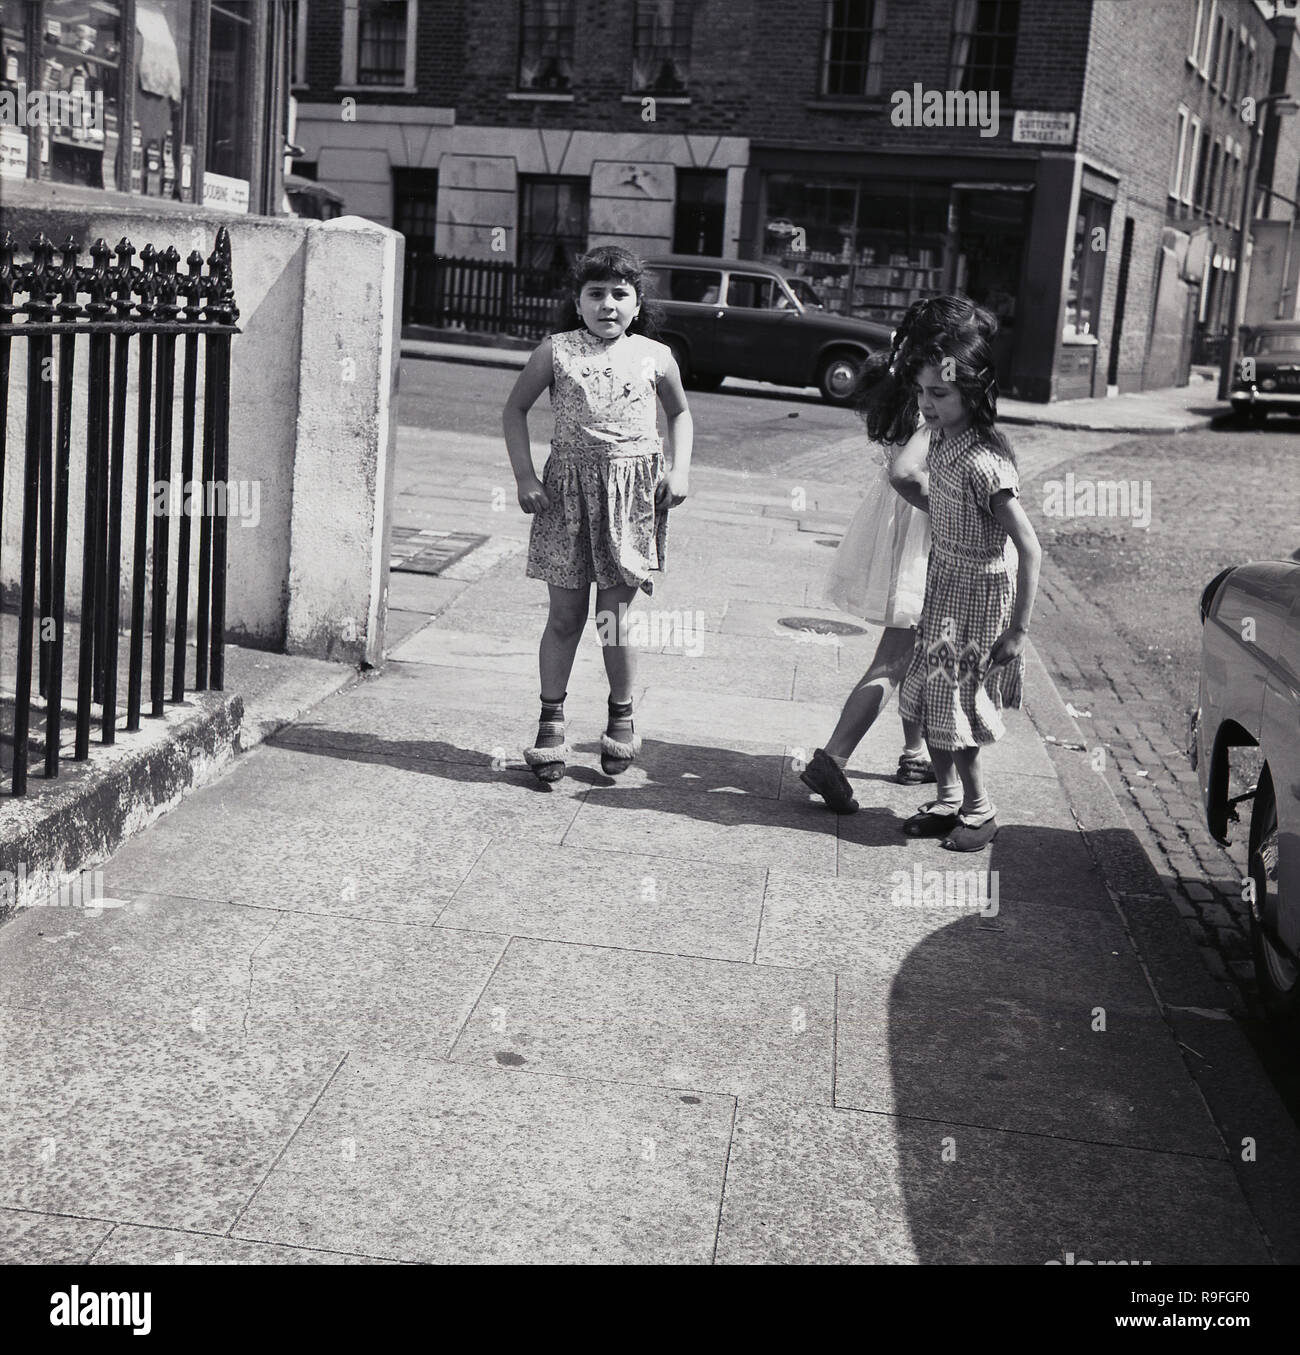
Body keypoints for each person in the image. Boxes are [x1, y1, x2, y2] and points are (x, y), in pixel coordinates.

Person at [503, 246, 693, 783]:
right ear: (577, 301)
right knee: (564, 617)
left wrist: (678, 472)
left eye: (619, 294)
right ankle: (551, 720)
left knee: (613, 620)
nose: (607, 304)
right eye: (595, 294)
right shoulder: (554, 351)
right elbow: (514, 409)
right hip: (565, 496)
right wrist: (524, 476)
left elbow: (680, 414)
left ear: (637, 304)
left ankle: (622, 715)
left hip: (630, 498)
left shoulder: (656, 355)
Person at [800, 296, 988, 814]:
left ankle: (913, 752)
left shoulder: (900, 378)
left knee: (913, 647)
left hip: (895, 525)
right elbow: (908, 473)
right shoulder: (937, 400)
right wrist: (957, 513)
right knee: (897, 656)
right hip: (924, 530)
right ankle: (832, 758)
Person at [891, 303, 1042, 852]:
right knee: (930, 695)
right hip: (946, 582)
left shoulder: (986, 462)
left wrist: (1018, 630)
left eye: (940, 394)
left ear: (973, 395)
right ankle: (950, 798)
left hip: (980, 595)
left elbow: (1029, 547)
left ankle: (981, 811)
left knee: (954, 702)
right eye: (923, 392)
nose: (927, 404)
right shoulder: (942, 440)